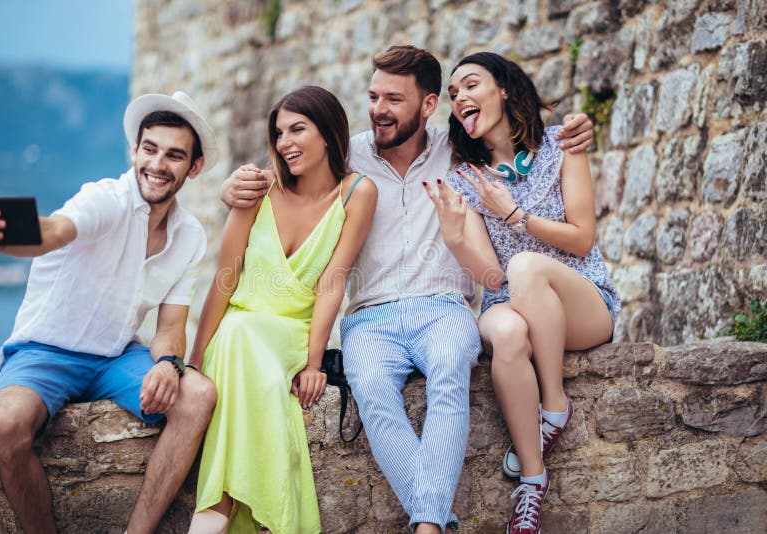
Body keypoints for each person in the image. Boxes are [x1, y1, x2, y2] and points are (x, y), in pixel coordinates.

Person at [220, 46, 594, 534]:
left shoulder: (459, 152)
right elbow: (287, 170)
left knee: (450, 371)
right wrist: (234, 188)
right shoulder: (346, 154)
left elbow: (514, 140)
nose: (379, 109)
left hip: (444, 307)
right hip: (368, 316)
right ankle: (433, 524)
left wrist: (578, 129)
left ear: (429, 104)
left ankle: (428, 526)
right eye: (374, 97)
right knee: (372, 391)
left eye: (394, 99)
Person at [0, 91, 219, 534]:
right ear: (135, 151)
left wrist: (168, 363)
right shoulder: (105, 199)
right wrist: (5, 233)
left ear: (193, 167)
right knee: (6, 422)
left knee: (198, 395)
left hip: (114, 357)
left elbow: (171, 327)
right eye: (150, 149)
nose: (158, 164)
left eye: (174, 155)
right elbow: (53, 231)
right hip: (44, 351)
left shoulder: (190, 236)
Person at [431, 52, 620, 533]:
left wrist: (515, 216)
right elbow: (493, 279)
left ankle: (553, 404)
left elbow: (582, 238)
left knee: (525, 265)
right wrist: (455, 240)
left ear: (504, 90)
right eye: (453, 94)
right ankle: (532, 483)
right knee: (506, 332)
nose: (460, 97)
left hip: (583, 304)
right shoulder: (465, 180)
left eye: (471, 85)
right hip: (510, 301)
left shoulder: (561, 145)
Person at [186, 86, 377, 534]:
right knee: (238, 334)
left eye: (297, 129)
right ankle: (240, 512)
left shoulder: (357, 193)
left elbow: (332, 283)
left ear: (327, 133)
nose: (285, 142)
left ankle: (216, 511)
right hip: (237, 331)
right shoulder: (259, 189)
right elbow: (225, 278)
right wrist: (193, 363)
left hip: (292, 334)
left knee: (243, 339)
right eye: (279, 132)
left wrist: (313, 363)